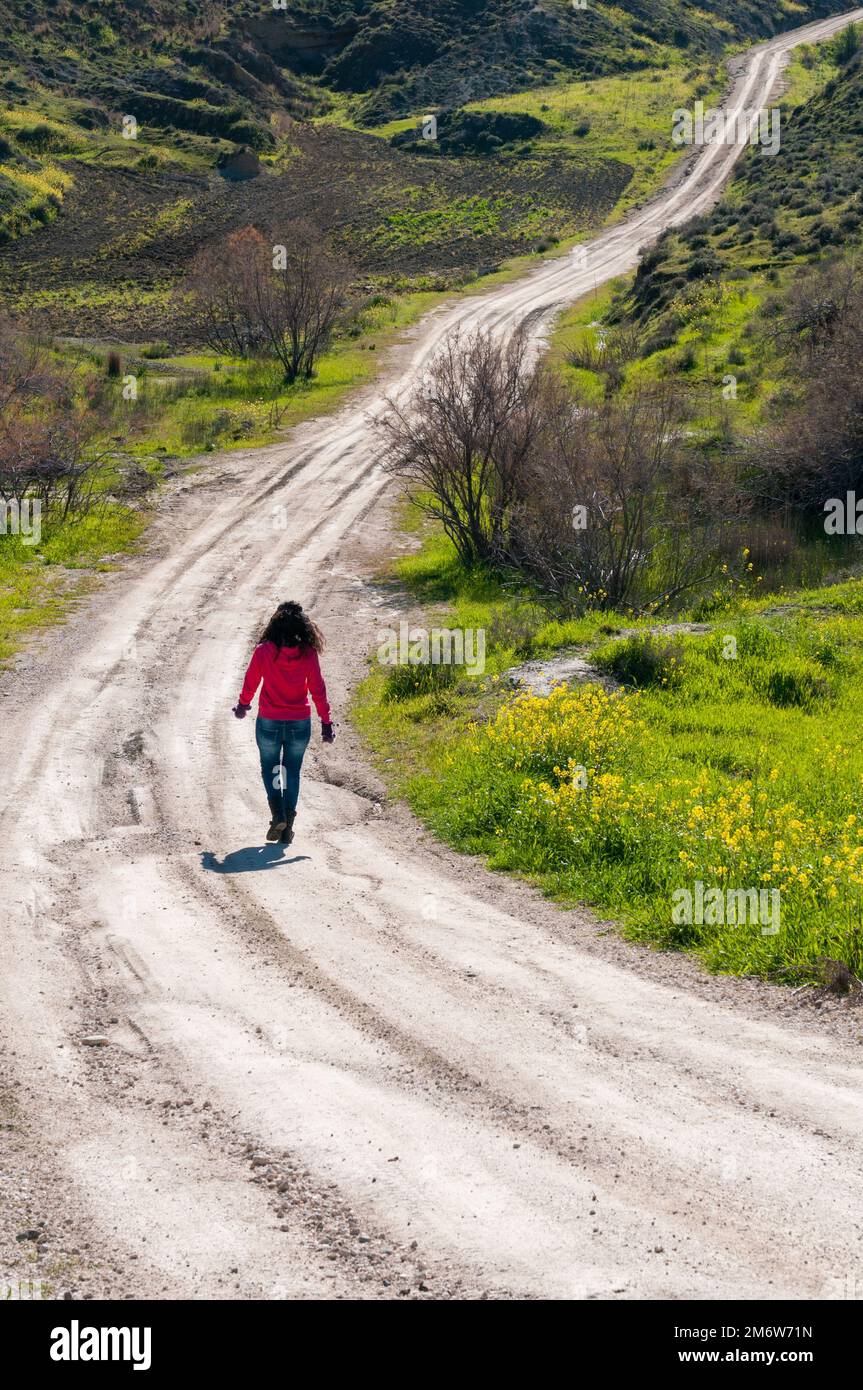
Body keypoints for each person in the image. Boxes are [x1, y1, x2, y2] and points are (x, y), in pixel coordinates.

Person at [233, 601, 334, 844]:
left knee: (270, 769)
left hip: (269, 721)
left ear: (275, 625)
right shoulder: (308, 653)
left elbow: (251, 681)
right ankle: (287, 826)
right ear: (303, 627)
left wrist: (243, 705)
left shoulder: (264, 651)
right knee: (292, 772)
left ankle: (278, 814)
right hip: (299, 723)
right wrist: (326, 722)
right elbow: (317, 689)